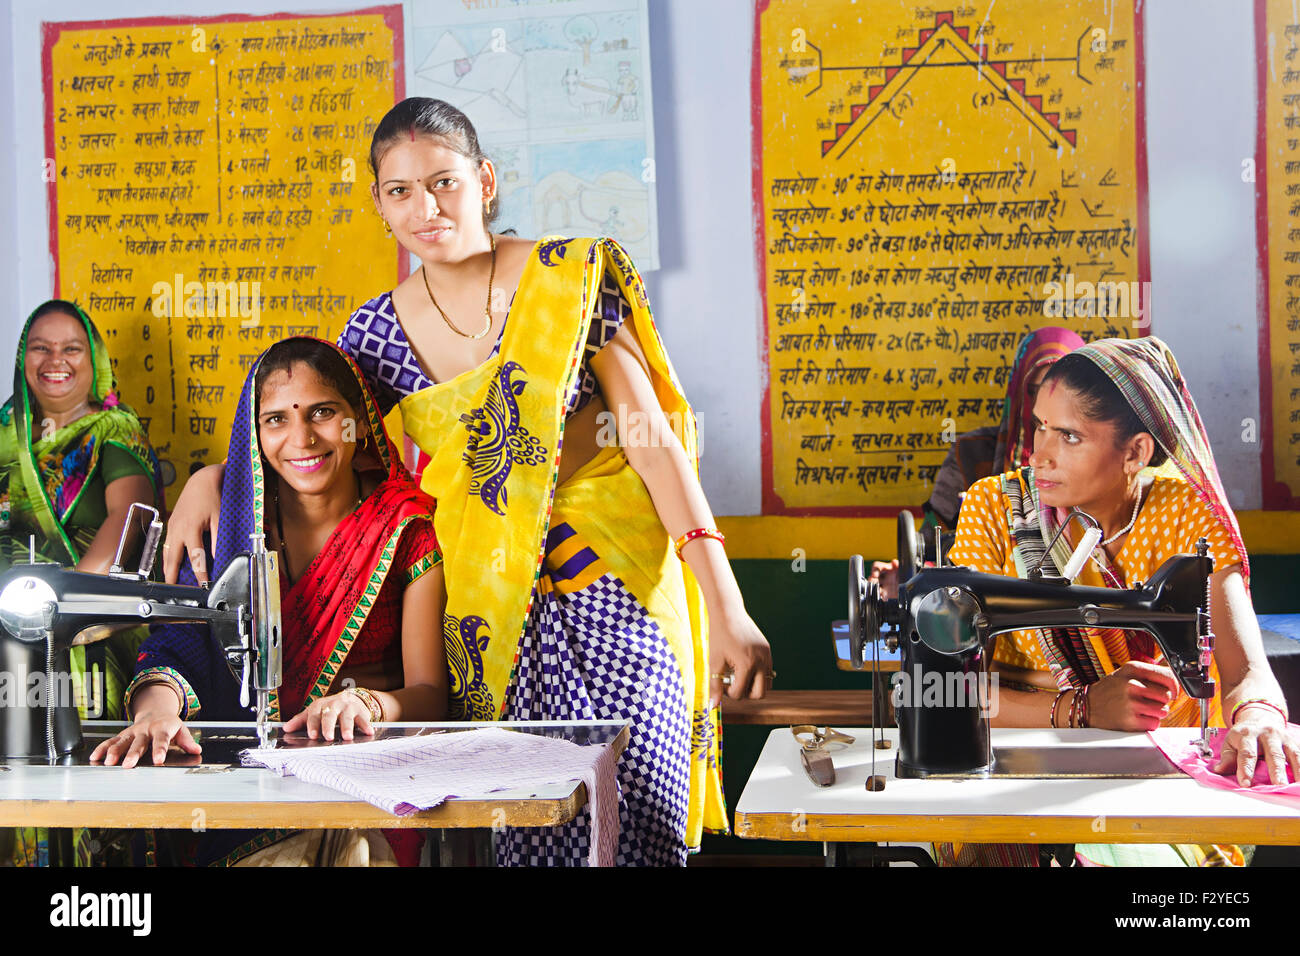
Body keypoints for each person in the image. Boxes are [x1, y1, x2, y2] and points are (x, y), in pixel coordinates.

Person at [164, 97, 772, 866]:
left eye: (444, 182)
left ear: (484, 180)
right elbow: (320, 447)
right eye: (400, 191)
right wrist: (213, 477)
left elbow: (653, 447)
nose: (426, 207)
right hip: (487, 622)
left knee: (637, 823)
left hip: (619, 590)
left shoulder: (570, 276)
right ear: (380, 205)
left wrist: (726, 603)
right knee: (525, 832)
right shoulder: (373, 334)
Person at [92, 338, 447, 867]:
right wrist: (157, 712)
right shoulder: (226, 525)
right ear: (255, 435)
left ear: (363, 422)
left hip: (369, 779)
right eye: (275, 419)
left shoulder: (406, 527)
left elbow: (430, 695)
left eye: (323, 413)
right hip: (249, 790)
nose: (301, 438)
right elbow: (181, 641)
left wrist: (368, 703)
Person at [945, 335, 1298, 866]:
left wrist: (1258, 713)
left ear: (1136, 451)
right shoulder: (996, 511)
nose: (1039, 454)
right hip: (1014, 759)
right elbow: (949, 694)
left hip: (1159, 781)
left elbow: (1245, 670)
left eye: (1069, 436)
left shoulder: (1185, 516)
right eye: (1040, 425)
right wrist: (1082, 709)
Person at [1, 300, 161, 867]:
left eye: (72, 348)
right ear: (24, 358)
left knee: (91, 794)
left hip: (86, 633)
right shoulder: (5, 432)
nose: (55, 361)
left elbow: (128, 519)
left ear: (93, 361)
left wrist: (60, 603)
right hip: (6, 642)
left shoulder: (114, 429)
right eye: (41, 347)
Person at [924, 326, 1084, 530]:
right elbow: (930, 543)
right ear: (1017, 391)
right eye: (1034, 391)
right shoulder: (970, 453)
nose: (1045, 405)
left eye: (1058, 392)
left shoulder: (1097, 461)